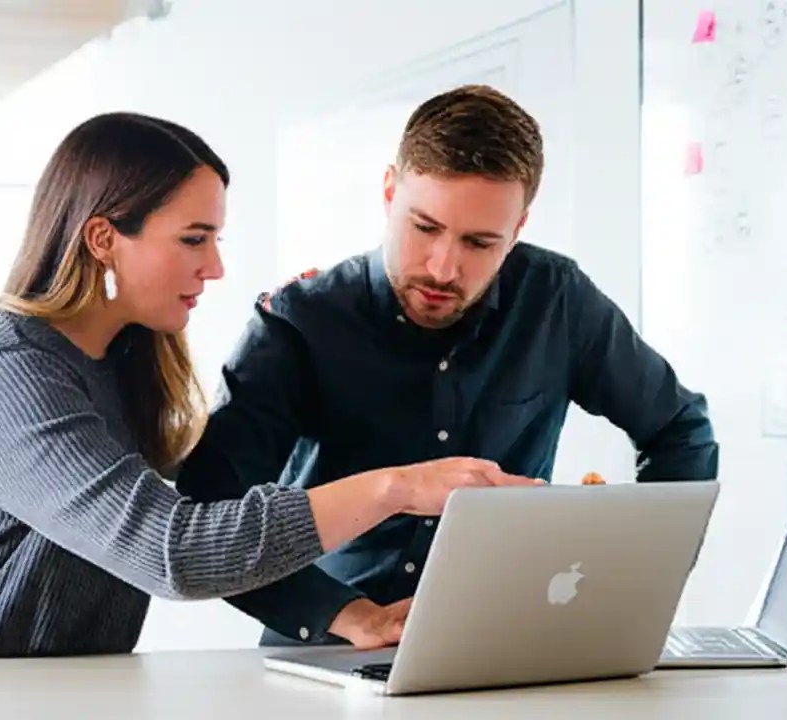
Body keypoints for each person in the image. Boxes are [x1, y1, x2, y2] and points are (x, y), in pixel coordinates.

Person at [0, 112, 538, 660]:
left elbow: (207, 525)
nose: (214, 267)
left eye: (215, 238)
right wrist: (398, 487)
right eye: (193, 239)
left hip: (84, 694)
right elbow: (174, 550)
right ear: (104, 239)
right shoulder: (2, 374)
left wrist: (349, 611)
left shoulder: (121, 359)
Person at [176, 84, 719, 650]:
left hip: (505, 643)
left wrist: (635, 575)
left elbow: (679, 428)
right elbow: (210, 517)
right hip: (329, 650)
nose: (443, 268)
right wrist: (343, 611)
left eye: (480, 243)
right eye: (425, 227)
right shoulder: (297, 322)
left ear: (519, 228)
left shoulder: (556, 299)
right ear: (390, 192)